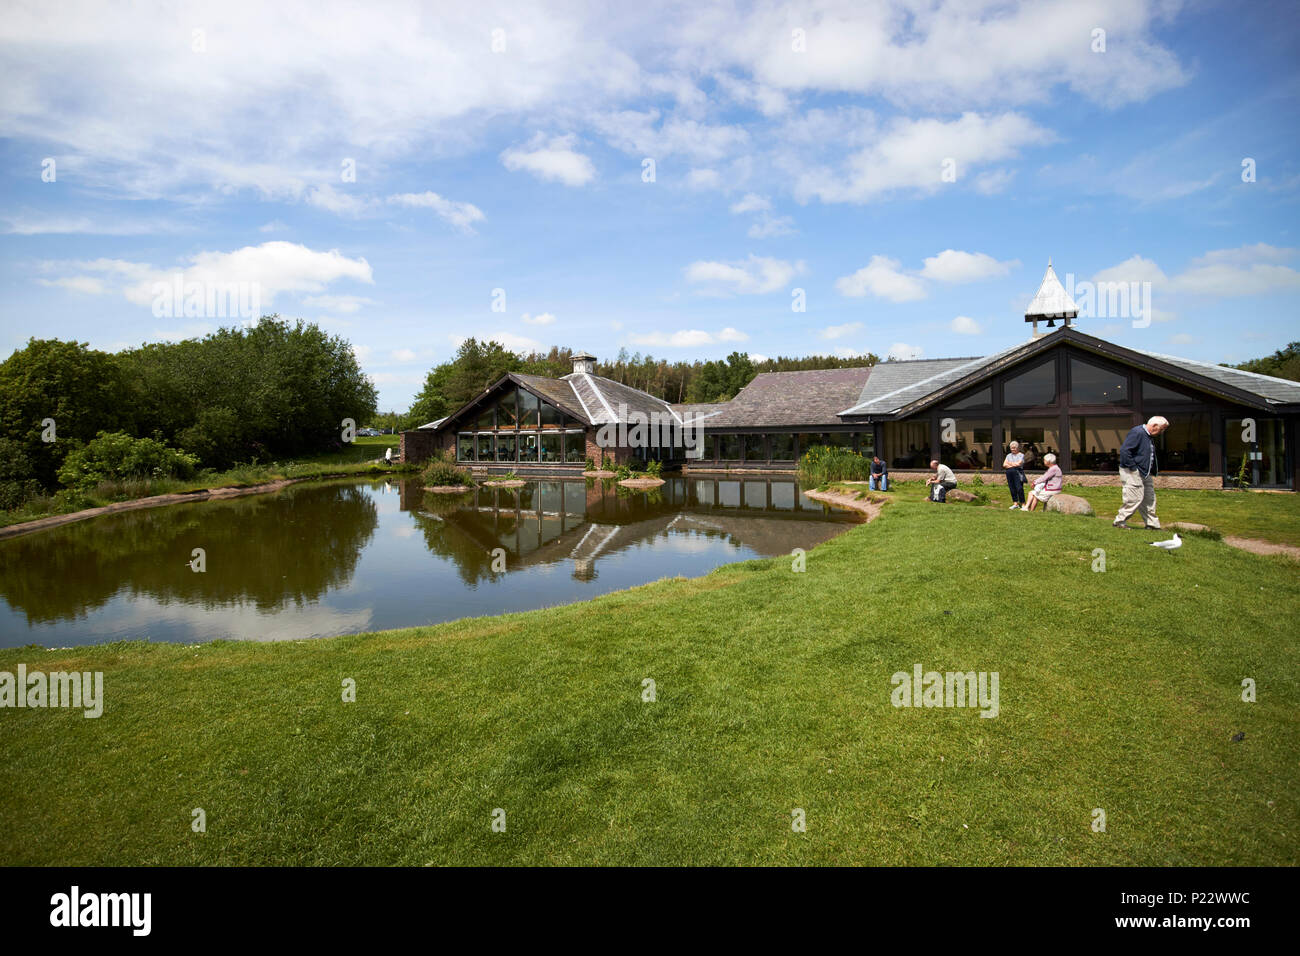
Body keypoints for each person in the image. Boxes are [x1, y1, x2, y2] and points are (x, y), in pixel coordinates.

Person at [1114, 416, 1170, 529]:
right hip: (1133, 471)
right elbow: (1125, 451)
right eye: (1161, 429)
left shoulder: (1148, 436)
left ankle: (1152, 524)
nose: (1162, 432)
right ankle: (1119, 522)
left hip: (1145, 472)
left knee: (1149, 498)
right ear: (1154, 426)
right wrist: (1134, 468)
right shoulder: (1138, 432)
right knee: (1134, 497)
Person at [1003, 440, 1027, 510]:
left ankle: (1023, 503)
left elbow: (1019, 464)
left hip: (1018, 473)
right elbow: (1004, 465)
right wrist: (1014, 464)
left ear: (1018, 448)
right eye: (1011, 448)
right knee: (1012, 488)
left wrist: (1009, 464)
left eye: (1014, 448)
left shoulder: (1021, 455)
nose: (1013, 449)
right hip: (1009, 473)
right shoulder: (1008, 455)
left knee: (1019, 488)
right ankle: (1015, 503)